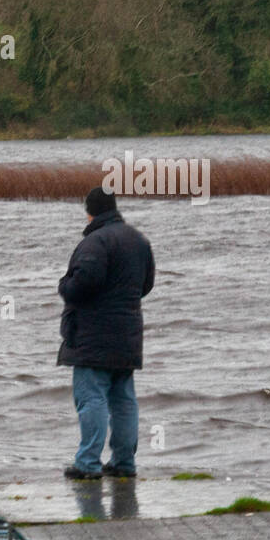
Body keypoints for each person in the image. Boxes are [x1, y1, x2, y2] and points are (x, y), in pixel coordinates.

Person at [57, 186, 155, 479]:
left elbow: (83, 284)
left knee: (92, 399)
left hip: (93, 337)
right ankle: (124, 463)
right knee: (124, 400)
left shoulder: (95, 241)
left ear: (91, 211)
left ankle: (88, 464)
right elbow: (146, 286)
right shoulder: (138, 240)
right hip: (128, 335)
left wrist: (64, 285)